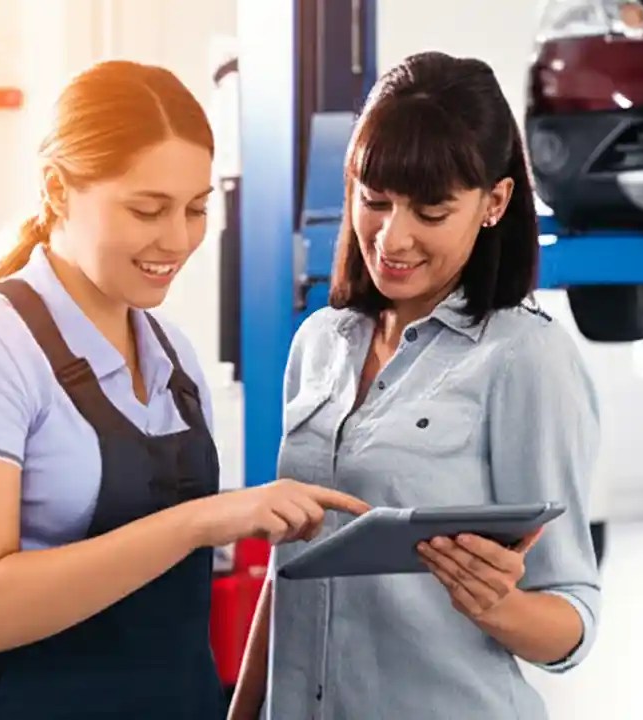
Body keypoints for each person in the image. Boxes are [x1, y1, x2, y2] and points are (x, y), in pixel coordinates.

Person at [0, 59, 370, 720]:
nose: (178, 239)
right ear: (57, 190)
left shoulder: (173, 357)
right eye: (147, 209)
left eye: (195, 209)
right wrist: (200, 522)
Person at [229, 52, 602, 720]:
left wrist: (501, 606)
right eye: (374, 201)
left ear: (494, 202)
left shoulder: (525, 358)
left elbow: (572, 617)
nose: (392, 237)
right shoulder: (320, 341)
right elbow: (295, 564)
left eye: (431, 211)